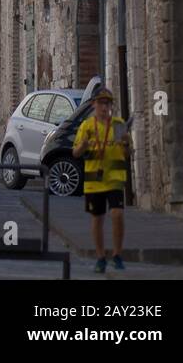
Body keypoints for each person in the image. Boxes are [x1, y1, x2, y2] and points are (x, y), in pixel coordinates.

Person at [72, 88, 130, 273]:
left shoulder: (119, 125)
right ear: (93, 104)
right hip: (94, 181)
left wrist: (127, 144)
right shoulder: (86, 126)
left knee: (117, 214)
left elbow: (128, 154)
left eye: (108, 103)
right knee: (97, 219)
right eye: (101, 103)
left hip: (114, 178)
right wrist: (84, 144)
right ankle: (100, 257)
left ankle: (117, 254)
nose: (105, 107)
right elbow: (75, 153)